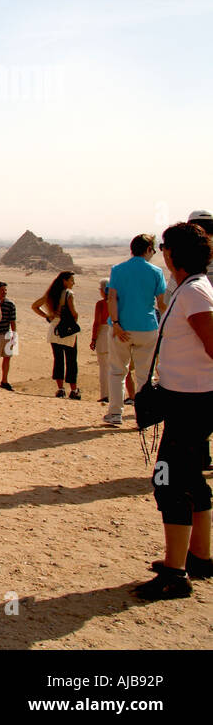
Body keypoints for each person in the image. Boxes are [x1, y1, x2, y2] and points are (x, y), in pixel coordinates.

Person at [135, 222, 213, 600]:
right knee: (191, 479)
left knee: (168, 483)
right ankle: (199, 556)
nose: (161, 252)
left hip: (191, 404)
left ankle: (175, 574)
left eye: (164, 246)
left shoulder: (195, 293)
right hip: (188, 401)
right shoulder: (187, 289)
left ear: (172, 253)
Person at [105, 234, 168, 427]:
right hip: (147, 327)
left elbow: (111, 298)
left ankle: (115, 413)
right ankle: (143, 416)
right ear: (148, 249)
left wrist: (116, 323)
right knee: (144, 375)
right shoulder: (156, 271)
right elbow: (162, 303)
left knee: (117, 371)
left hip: (121, 328)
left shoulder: (118, 269)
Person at [32, 271, 82, 399]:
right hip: (67, 331)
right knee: (71, 360)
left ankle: (60, 389)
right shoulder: (68, 294)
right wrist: (72, 322)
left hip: (54, 329)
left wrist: (48, 316)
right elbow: (74, 313)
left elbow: (35, 306)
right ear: (64, 281)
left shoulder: (51, 294)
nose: (73, 283)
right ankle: (74, 390)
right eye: (71, 280)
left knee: (58, 359)